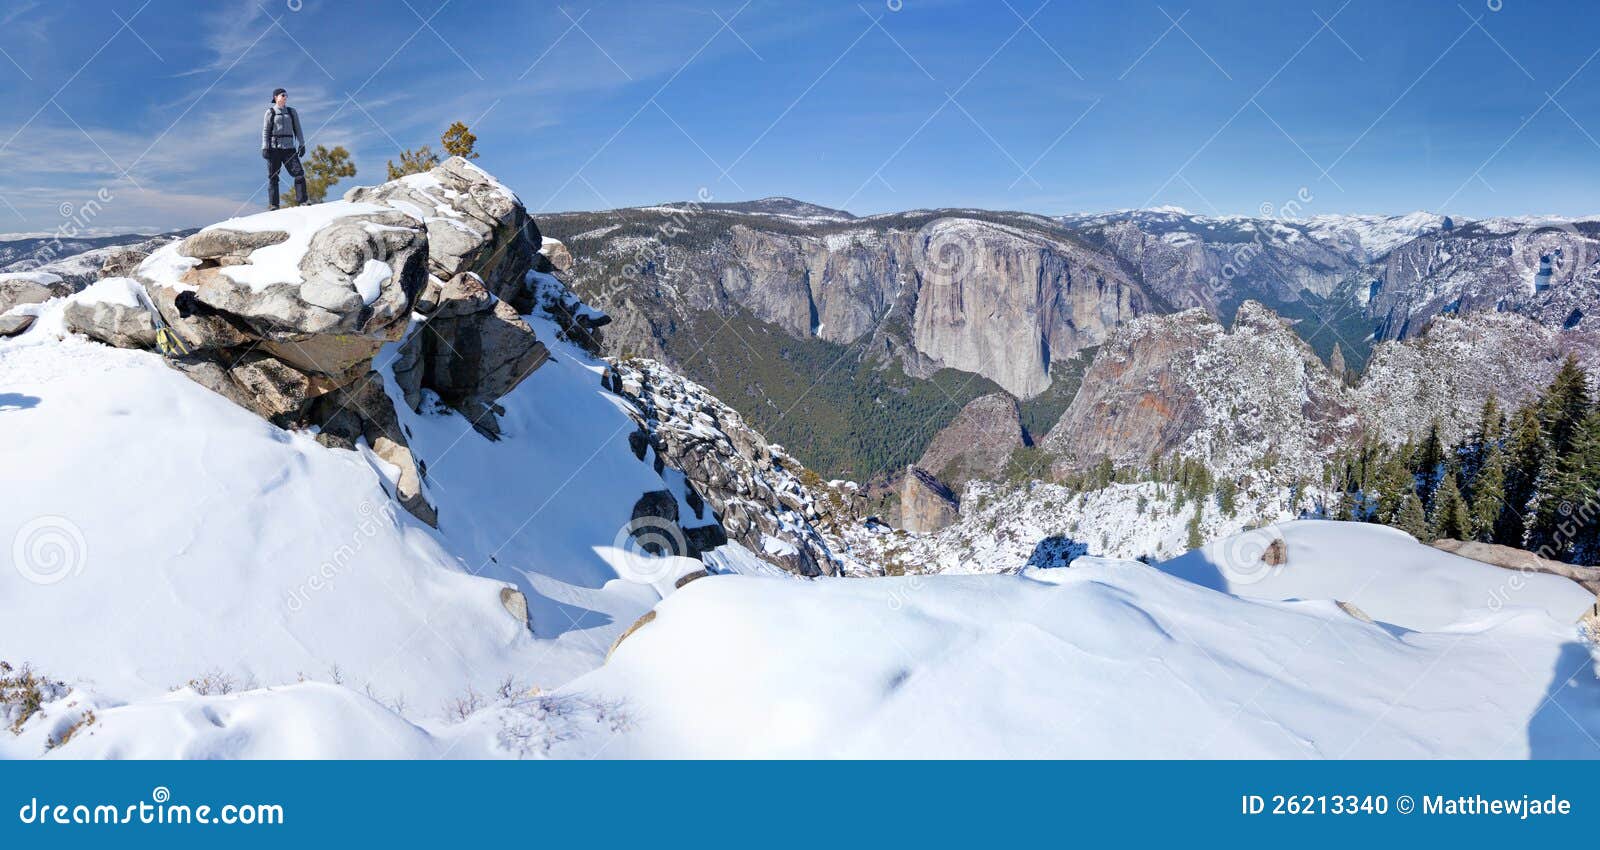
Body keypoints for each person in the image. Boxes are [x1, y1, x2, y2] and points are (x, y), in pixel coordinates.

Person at [261, 87, 308, 209]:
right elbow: (265, 131)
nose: (285, 97)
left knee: (299, 174)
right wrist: (265, 147)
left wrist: (302, 144)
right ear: (276, 97)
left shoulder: (292, 112)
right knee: (273, 176)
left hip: (289, 149)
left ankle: (302, 201)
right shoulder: (270, 112)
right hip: (274, 149)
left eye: (286, 95)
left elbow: (298, 129)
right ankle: (274, 204)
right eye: (282, 95)